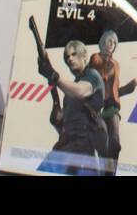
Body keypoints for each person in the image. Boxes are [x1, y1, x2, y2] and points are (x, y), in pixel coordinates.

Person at [36, 39, 109, 175]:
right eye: (67, 57)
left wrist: (53, 75)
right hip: (66, 148)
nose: (69, 58)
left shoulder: (92, 75)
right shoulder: (68, 94)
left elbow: (80, 91)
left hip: (85, 151)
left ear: (84, 55)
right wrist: (57, 120)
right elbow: (66, 126)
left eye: (73, 54)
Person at [89, 30, 137, 174]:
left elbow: (114, 90)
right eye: (110, 41)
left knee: (115, 144)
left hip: (112, 107)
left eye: (115, 42)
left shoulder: (116, 64)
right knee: (103, 143)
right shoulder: (95, 58)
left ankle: (111, 173)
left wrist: (129, 88)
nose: (112, 44)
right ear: (103, 41)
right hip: (97, 107)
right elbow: (95, 79)